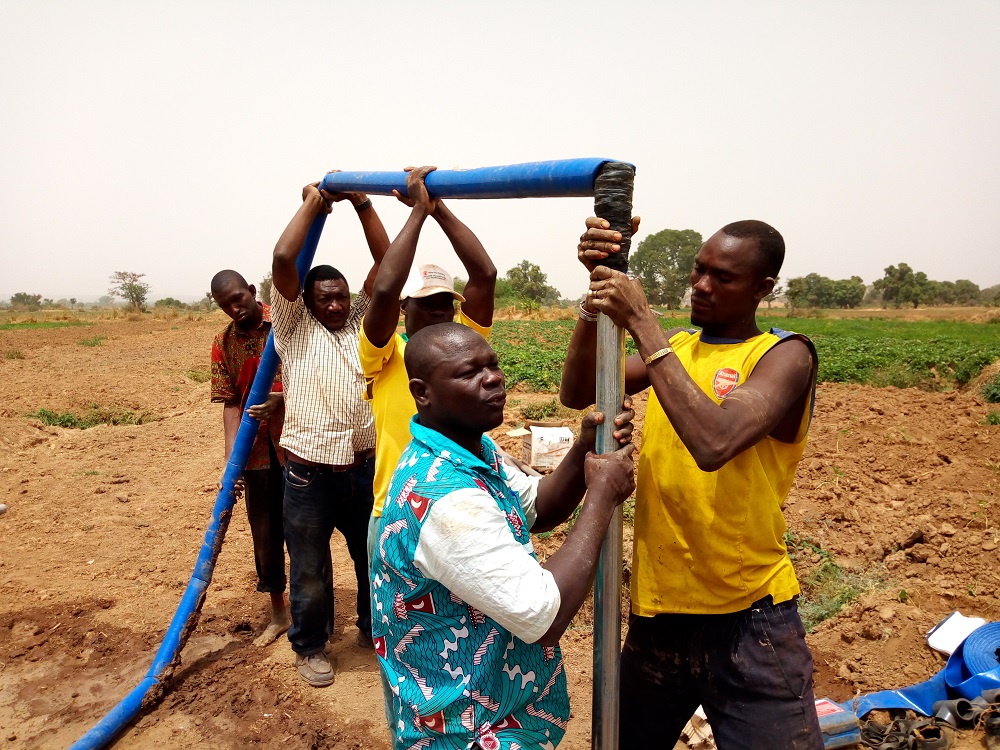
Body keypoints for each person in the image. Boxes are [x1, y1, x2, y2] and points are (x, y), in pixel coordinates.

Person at [560, 217, 823, 749]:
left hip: (748, 618)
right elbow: (578, 388)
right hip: (660, 612)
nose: (701, 285)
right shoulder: (678, 349)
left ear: (763, 288)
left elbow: (714, 441)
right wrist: (596, 296)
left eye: (722, 277)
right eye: (699, 270)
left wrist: (641, 320)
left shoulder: (784, 355)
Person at [371, 322, 635, 749]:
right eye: (469, 372)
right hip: (470, 731)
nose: (493, 378)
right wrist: (602, 497)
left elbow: (537, 507)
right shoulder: (444, 498)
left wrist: (583, 447)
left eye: (492, 365)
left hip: (497, 710)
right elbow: (543, 615)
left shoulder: (471, 449)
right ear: (422, 392)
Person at [359, 166, 497, 743]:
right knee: (408, 657)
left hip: (463, 508)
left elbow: (484, 274)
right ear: (406, 313)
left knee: (471, 644)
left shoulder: (458, 353)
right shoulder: (386, 355)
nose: (440, 316)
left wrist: (439, 208)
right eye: (427, 307)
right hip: (397, 517)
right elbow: (382, 290)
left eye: (446, 306)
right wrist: (417, 211)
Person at [269, 180, 389, 687]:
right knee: (310, 568)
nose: (336, 306)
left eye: (341, 297)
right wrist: (315, 202)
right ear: (308, 301)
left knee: (373, 558)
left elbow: (387, 265)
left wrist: (362, 204)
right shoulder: (293, 325)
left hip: (363, 467)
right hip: (309, 474)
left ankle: (371, 629)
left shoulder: (361, 319)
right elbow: (283, 257)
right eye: (326, 299)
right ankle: (311, 646)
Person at [209, 269, 289, 647]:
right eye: (225, 305)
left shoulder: (285, 324)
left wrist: (282, 399)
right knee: (265, 537)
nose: (234, 309)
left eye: (238, 299)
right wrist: (231, 463)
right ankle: (279, 613)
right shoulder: (223, 342)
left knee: (308, 532)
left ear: (253, 292)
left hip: (298, 445)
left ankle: (315, 616)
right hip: (255, 453)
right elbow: (231, 404)